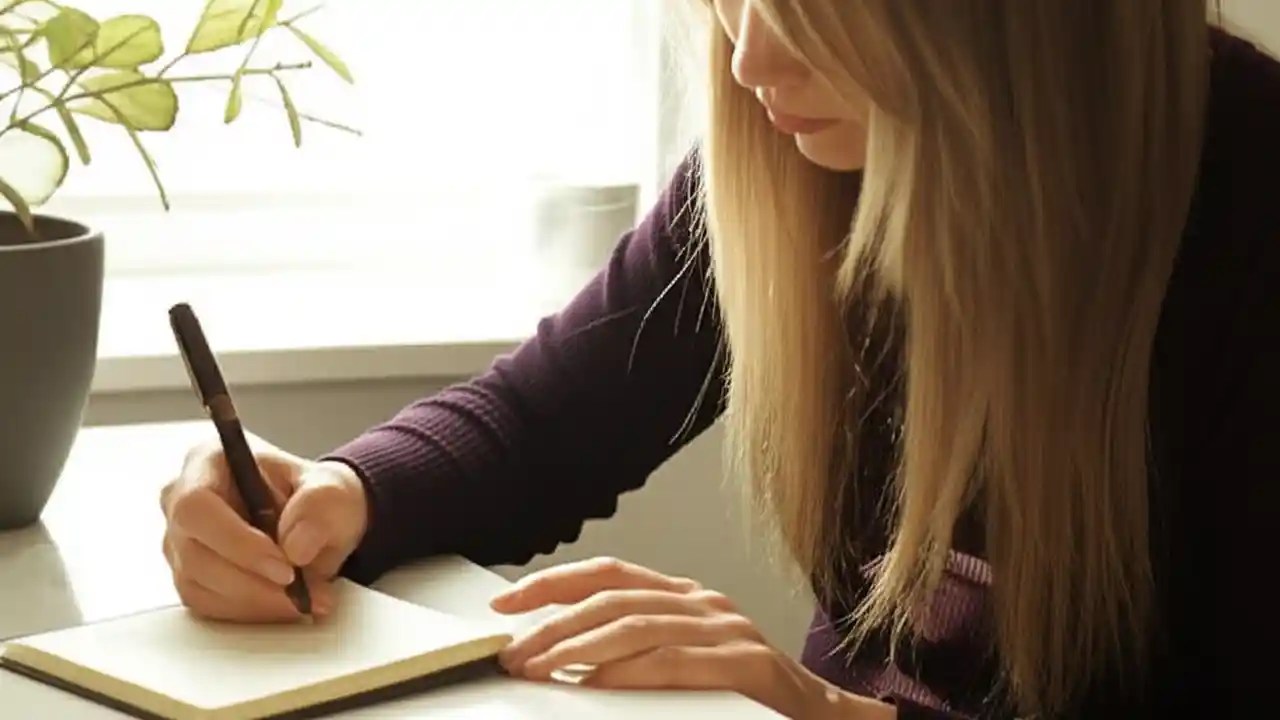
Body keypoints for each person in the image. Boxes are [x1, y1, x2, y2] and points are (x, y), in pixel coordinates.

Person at [158, 1, 1280, 718]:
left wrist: (826, 712)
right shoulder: (801, 156)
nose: (745, 55)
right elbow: (547, 424)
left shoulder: (1243, 198)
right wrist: (339, 495)